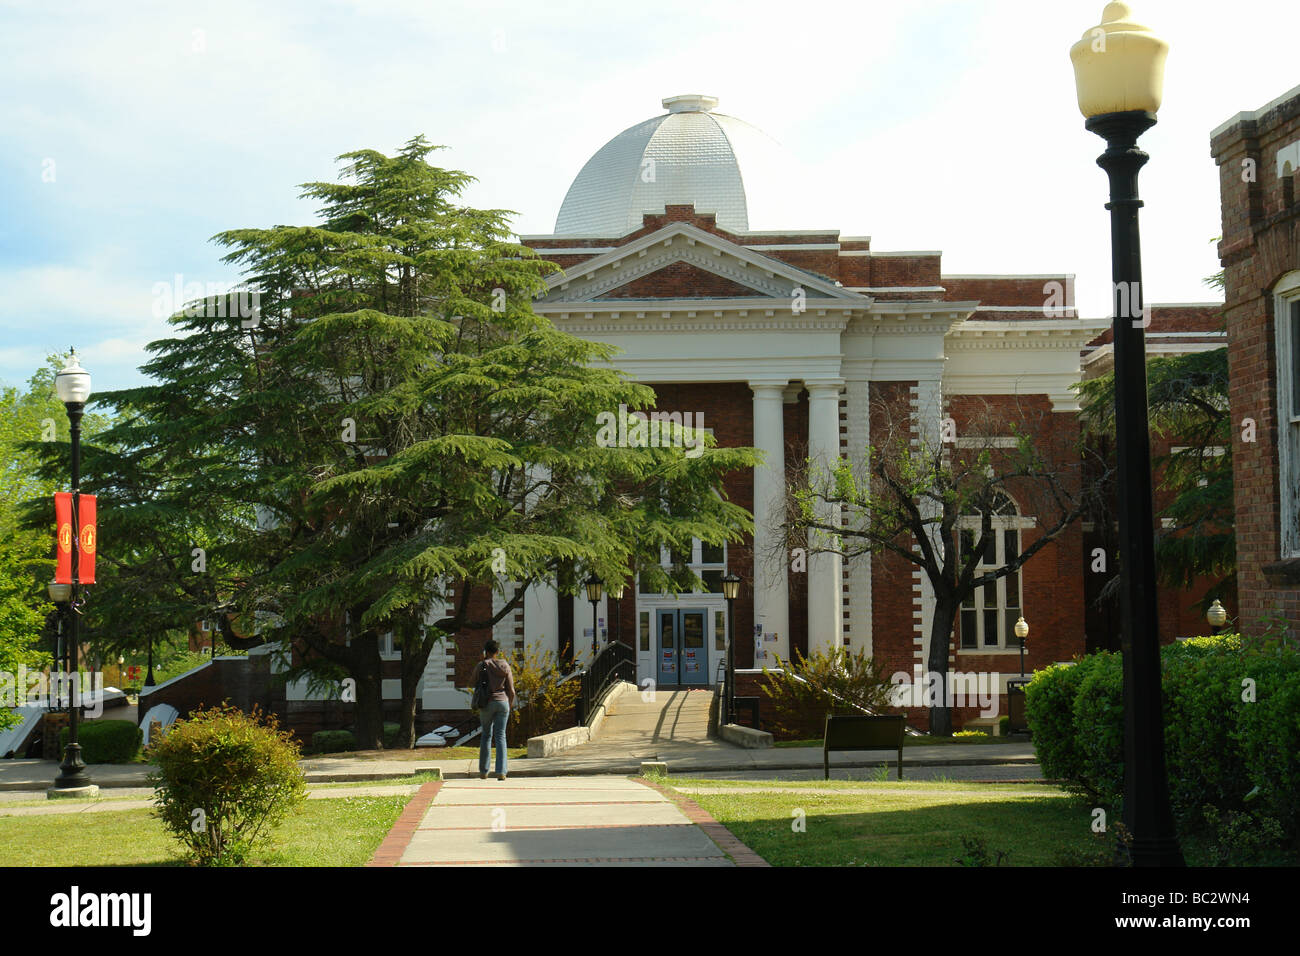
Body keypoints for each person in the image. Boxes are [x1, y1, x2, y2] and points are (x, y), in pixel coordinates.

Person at [470, 640, 515, 780]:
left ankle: (484, 771)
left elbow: (471, 682)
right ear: (497, 651)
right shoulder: (505, 665)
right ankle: (501, 771)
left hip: (487, 703)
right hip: (503, 703)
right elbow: (511, 690)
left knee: (486, 735)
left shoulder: (481, 665)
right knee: (501, 736)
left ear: (486, 652)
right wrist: (510, 705)